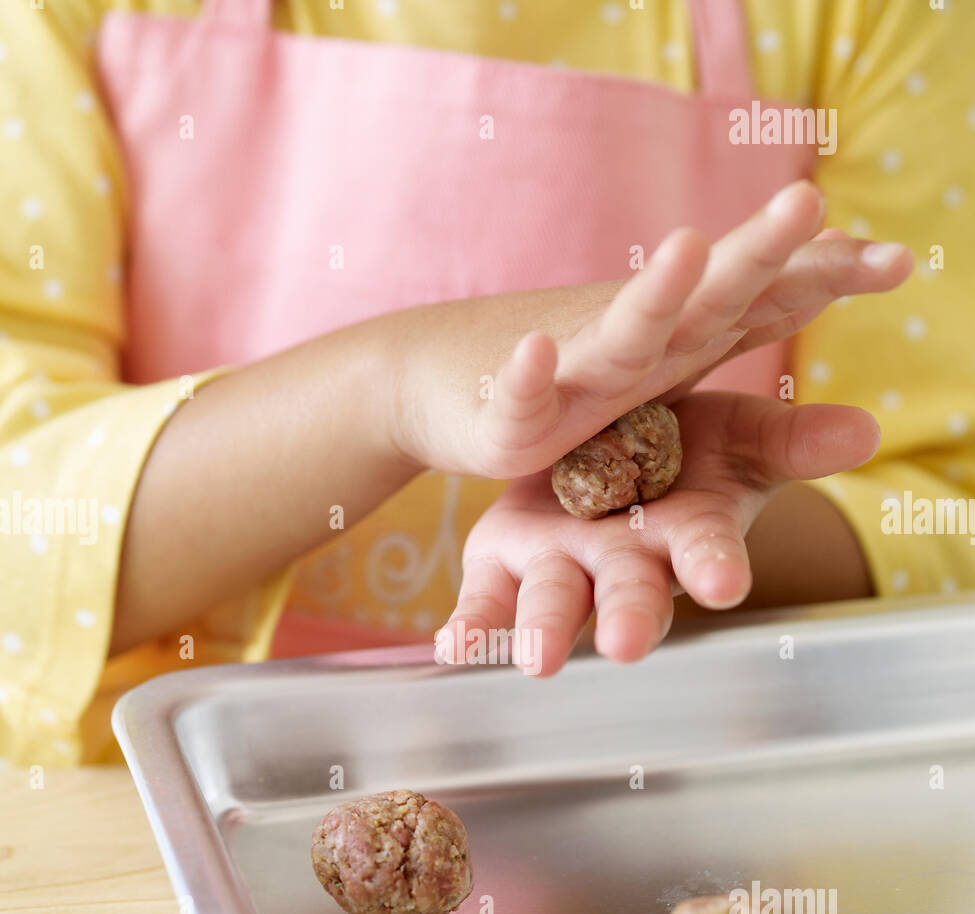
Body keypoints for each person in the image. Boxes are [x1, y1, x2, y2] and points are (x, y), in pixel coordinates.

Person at [0, 0, 970, 766]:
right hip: (165, 835)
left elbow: (942, 515)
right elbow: (22, 532)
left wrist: (689, 520)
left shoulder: (877, 16)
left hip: (664, 801)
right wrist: (386, 391)